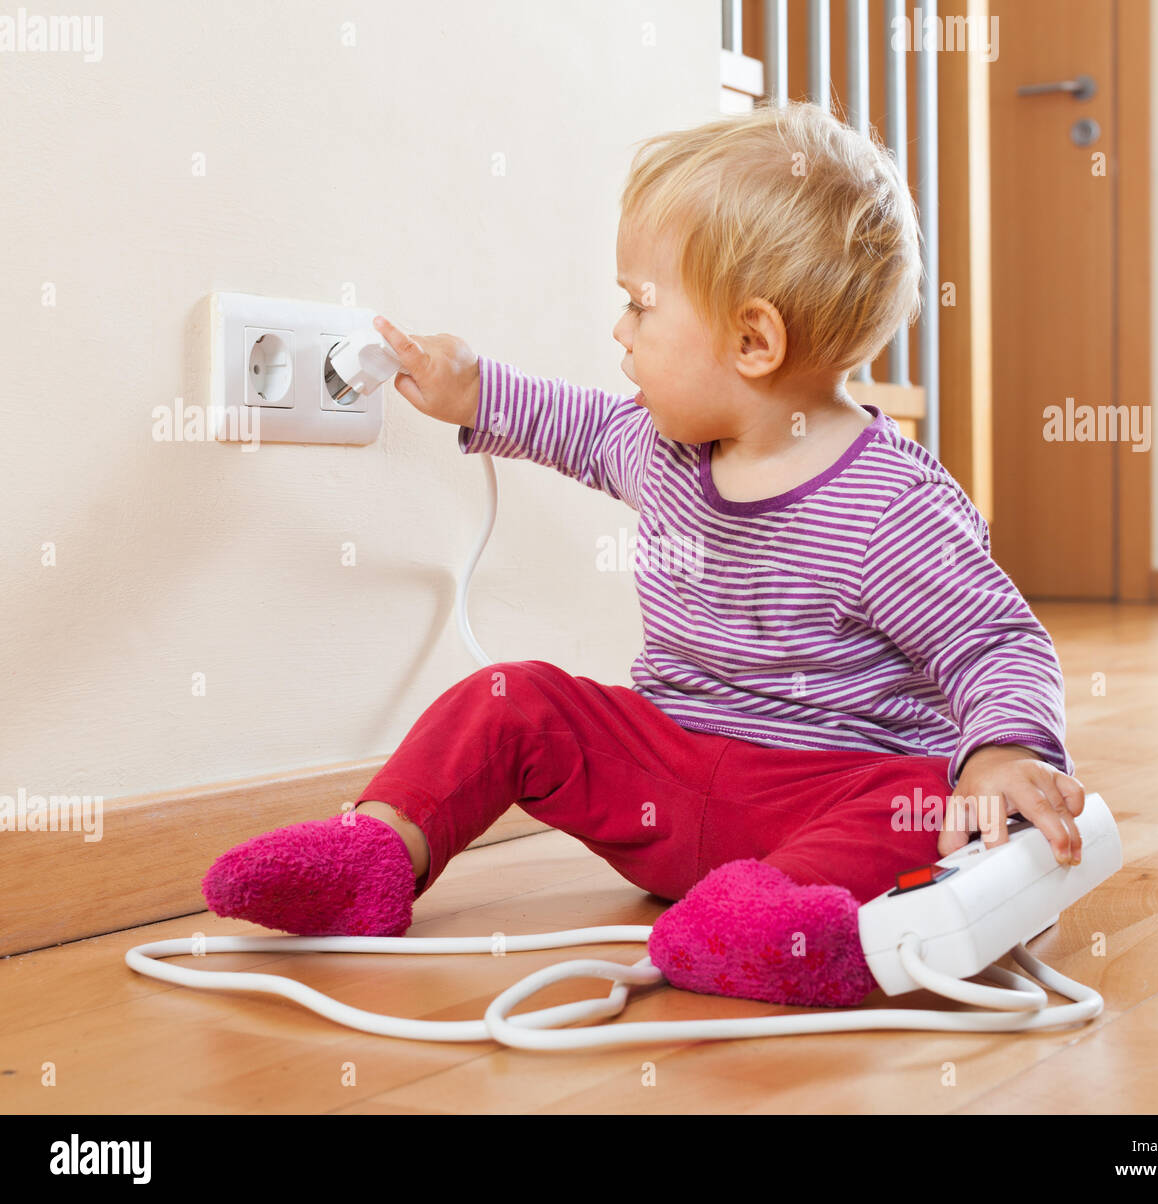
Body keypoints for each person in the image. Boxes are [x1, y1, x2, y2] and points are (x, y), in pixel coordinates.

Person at [203, 101, 1085, 1009]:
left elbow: (995, 644)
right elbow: (574, 425)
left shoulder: (892, 506)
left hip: (826, 792)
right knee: (513, 697)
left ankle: (780, 924)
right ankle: (378, 851)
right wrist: (472, 391)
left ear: (753, 340)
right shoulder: (662, 446)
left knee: (920, 805)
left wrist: (1002, 751)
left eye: (639, 305)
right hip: (669, 778)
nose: (619, 331)